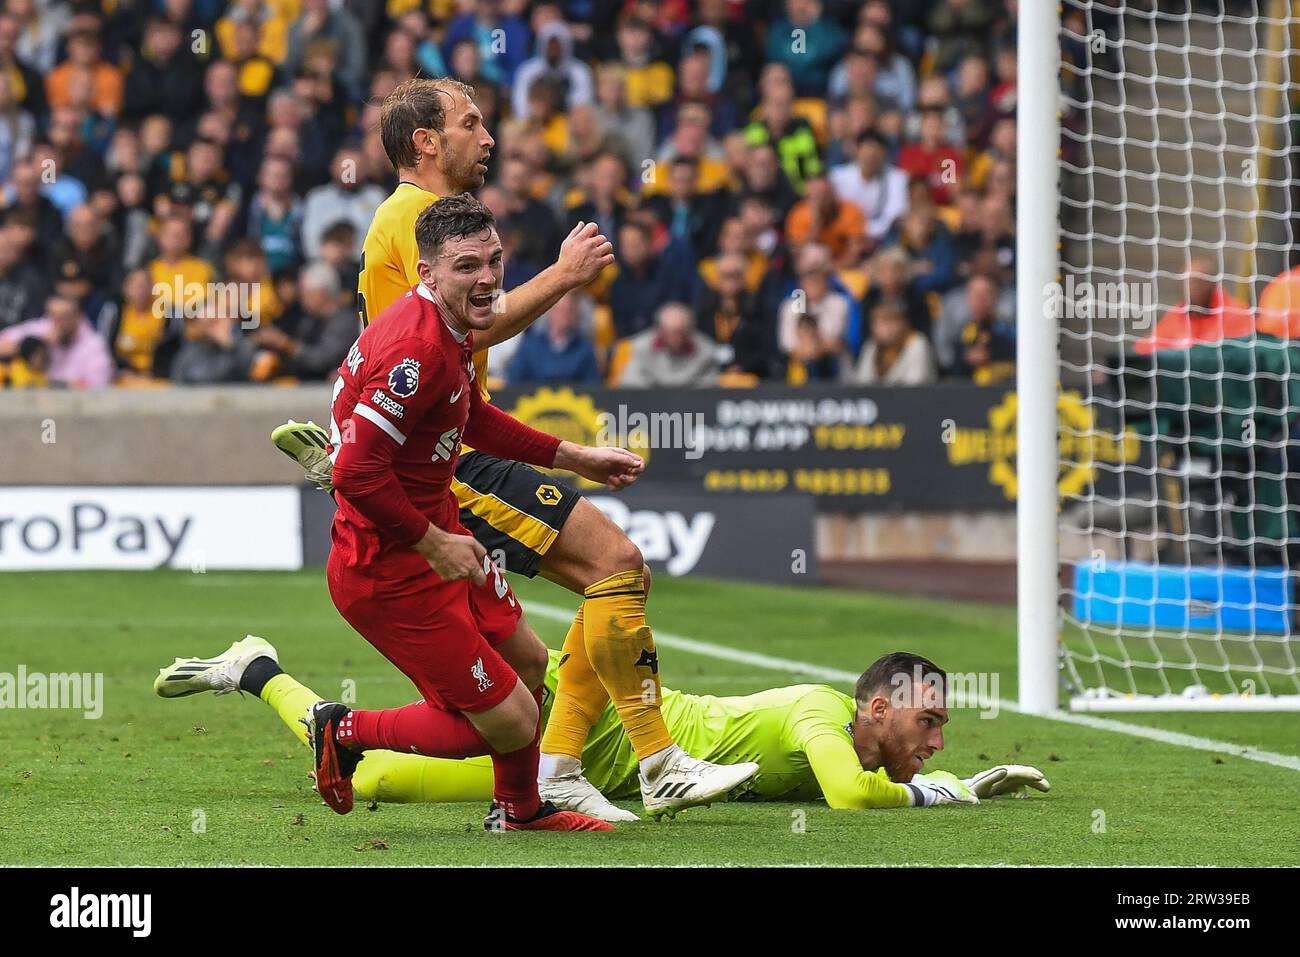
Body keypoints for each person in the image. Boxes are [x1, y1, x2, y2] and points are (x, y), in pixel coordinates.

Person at [271, 78, 759, 821]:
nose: (489, 137)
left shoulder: (427, 239)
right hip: (447, 475)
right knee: (612, 570)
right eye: (471, 123)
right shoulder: (414, 219)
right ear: (426, 142)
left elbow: (453, 373)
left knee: (543, 649)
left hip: (451, 445)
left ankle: (540, 787)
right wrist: (563, 275)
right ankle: (638, 761)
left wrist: (571, 455)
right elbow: (472, 331)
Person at [156, 638, 1052, 812]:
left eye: (944, 732)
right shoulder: (820, 713)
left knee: (378, 777)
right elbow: (856, 798)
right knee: (491, 677)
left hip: (611, 767)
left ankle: (257, 670)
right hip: (606, 739)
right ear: (878, 707)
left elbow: (873, 782)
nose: (938, 740)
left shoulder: (858, 734)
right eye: (929, 721)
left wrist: (950, 779)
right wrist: (955, 793)